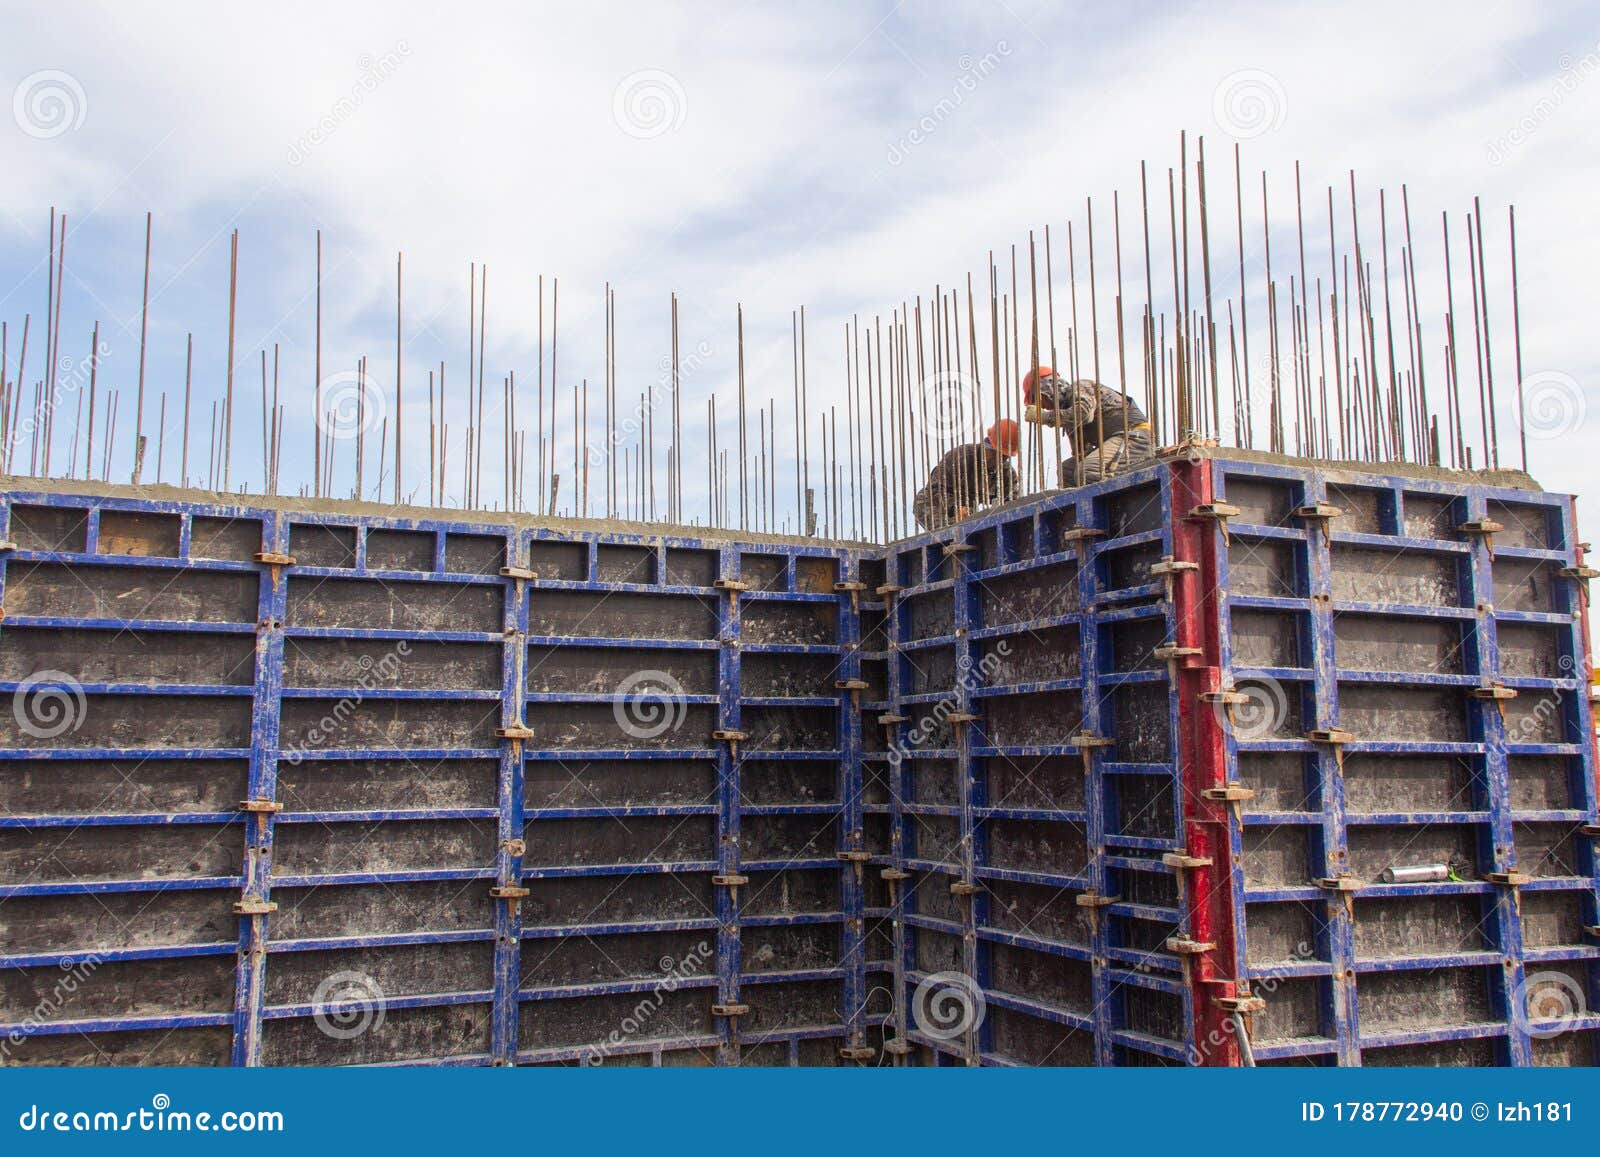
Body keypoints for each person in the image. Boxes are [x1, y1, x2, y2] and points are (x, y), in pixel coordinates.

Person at [1022, 367, 1155, 485]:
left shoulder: (1080, 387)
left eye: (1040, 400)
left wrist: (1044, 416)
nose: (1044, 407)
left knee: (1088, 471)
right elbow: (1081, 454)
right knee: (1067, 471)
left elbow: (1084, 414)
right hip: (1115, 441)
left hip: (1133, 437)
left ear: (1049, 389)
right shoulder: (1068, 418)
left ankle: (1117, 501)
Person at [912, 420, 1021, 531]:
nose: (997, 461)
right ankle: (948, 533)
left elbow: (1013, 503)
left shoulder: (1007, 475)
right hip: (938, 506)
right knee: (925, 504)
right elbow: (935, 489)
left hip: (968, 512)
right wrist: (955, 509)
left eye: (1004, 457)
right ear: (986, 445)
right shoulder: (959, 458)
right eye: (994, 454)